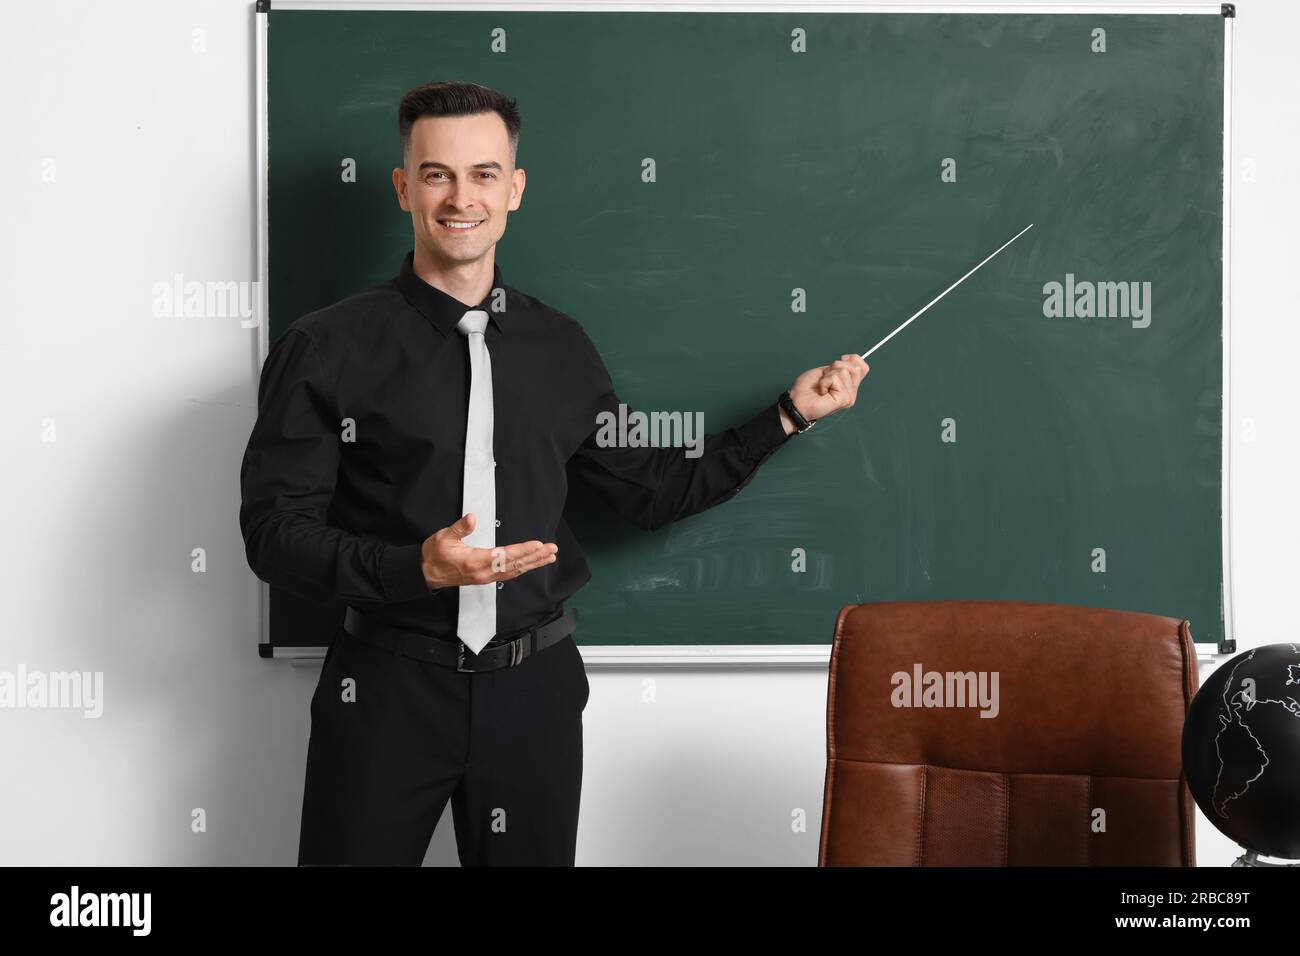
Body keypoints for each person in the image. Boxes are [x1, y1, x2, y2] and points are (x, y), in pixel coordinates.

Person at [238, 80, 869, 866]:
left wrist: (788, 414)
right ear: (404, 188)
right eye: (436, 174)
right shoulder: (326, 346)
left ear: (515, 189)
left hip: (530, 694)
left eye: (483, 174)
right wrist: (414, 568)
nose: (460, 196)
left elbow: (650, 490)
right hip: (385, 689)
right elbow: (272, 535)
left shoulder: (560, 348)